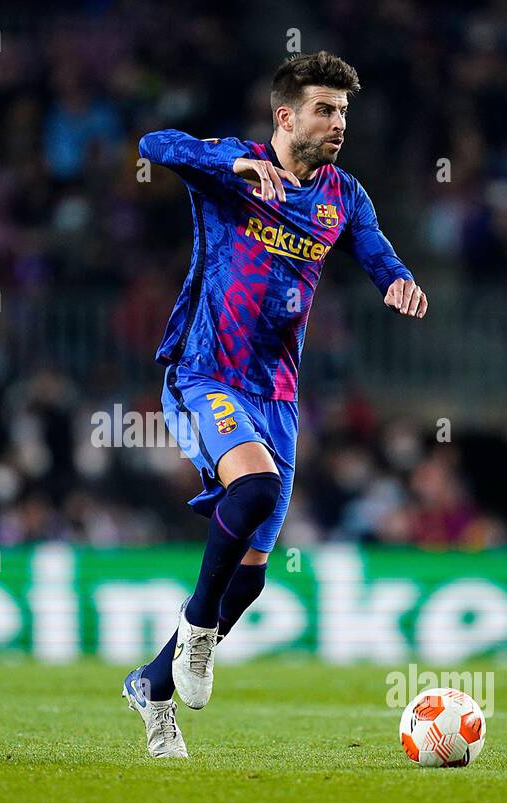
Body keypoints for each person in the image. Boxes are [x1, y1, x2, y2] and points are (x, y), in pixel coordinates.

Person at [124, 51, 426, 757]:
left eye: (344, 112)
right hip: (206, 372)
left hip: (279, 396)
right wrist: (231, 167)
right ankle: (197, 632)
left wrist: (399, 279)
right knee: (253, 487)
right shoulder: (234, 166)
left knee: (252, 582)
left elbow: (375, 249)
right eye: (325, 109)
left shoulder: (344, 195)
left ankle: (153, 685)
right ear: (285, 115)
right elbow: (155, 145)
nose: (338, 123)